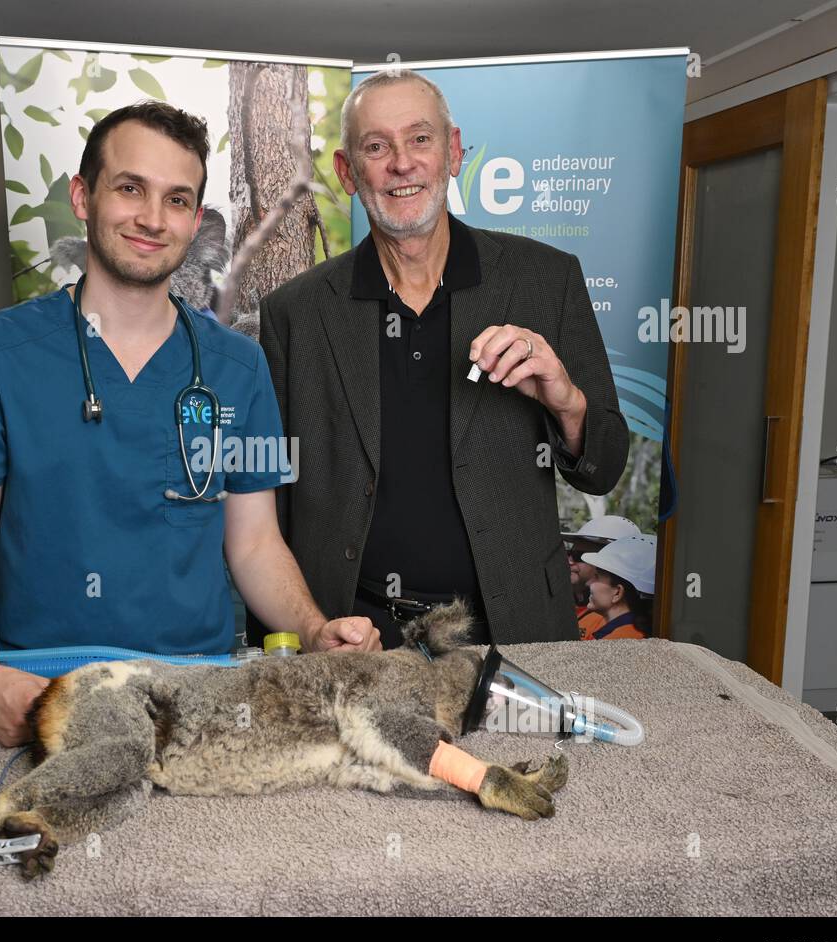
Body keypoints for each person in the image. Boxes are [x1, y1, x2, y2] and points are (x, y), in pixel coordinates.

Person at [0, 102, 379, 747]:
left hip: (197, 695)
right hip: (39, 692)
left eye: (178, 199)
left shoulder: (240, 366)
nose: (153, 219)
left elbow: (254, 544)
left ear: (195, 219)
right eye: (130, 188)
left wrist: (312, 628)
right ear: (83, 196)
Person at [252, 69, 628, 648]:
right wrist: (288, 638)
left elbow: (604, 468)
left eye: (420, 138)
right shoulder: (296, 313)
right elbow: (267, 515)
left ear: (452, 152)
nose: (402, 163)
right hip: (356, 638)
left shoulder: (545, 281)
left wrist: (567, 404)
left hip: (512, 633)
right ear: (349, 172)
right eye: (376, 146)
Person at [562, 515, 641, 639]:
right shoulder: (566, 605)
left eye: (578, 556)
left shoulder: (613, 619)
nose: (569, 561)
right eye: (568, 553)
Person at [579, 535, 656, 639]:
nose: (589, 583)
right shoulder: (633, 633)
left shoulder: (618, 640)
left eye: (597, 577)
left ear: (617, 592)